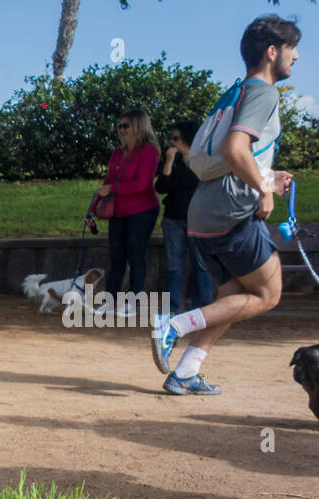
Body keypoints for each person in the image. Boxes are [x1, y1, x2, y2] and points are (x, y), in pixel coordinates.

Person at [151, 15, 300, 395]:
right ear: (272, 52)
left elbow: (233, 155)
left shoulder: (236, 91)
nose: (296, 56)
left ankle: (185, 372)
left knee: (235, 297)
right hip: (231, 212)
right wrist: (264, 189)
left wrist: (268, 174)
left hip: (203, 211)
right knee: (268, 294)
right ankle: (173, 326)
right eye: (291, 48)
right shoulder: (264, 93)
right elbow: (235, 150)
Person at [94, 109, 161, 309]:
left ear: (138, 126)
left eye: (126, 126)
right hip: (118, 211)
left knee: (135, 254)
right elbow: (107, 181)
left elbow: (142, 184)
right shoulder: (117, 152)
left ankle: (133, 301)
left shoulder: (149, 151)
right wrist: (93, 208)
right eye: (120, 126)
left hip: (142, 210)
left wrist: (113, 189)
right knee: (116, 256)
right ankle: (110, 299)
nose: (122, 130)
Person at [156, 120, 215, 315]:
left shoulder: (203, 160)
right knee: (174, 265)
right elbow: (161, 188)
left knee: (201, 264)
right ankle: (172, 308)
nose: (171, 142)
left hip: (199, 220)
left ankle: (203, 307)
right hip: (174, 218)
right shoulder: (172, 161)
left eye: (176, 138)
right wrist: (169, 162)